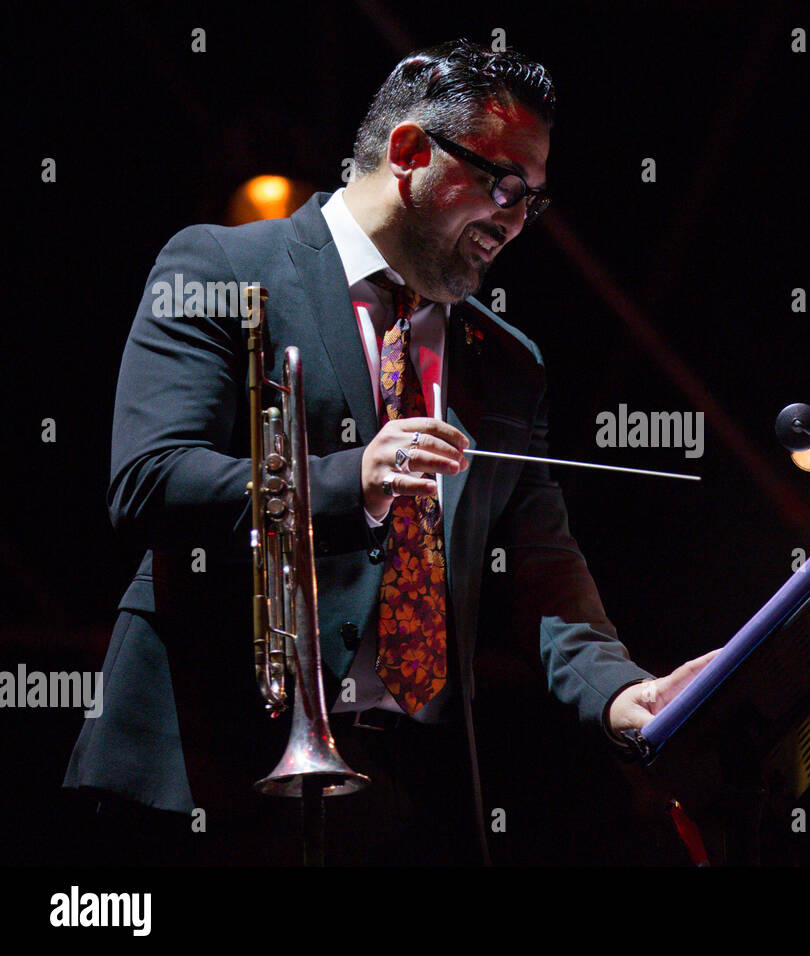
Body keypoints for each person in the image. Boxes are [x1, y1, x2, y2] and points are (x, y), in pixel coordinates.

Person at [64, 38, 714, 865]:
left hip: (403, 804)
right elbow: (150, 483)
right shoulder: (220, 266)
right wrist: (349, 479)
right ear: (409, 151)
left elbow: (543, 569)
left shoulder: (509, 362)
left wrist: (627, 693)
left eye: (534, 201)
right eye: (504, 183)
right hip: (203, 777)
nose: (516, 219)